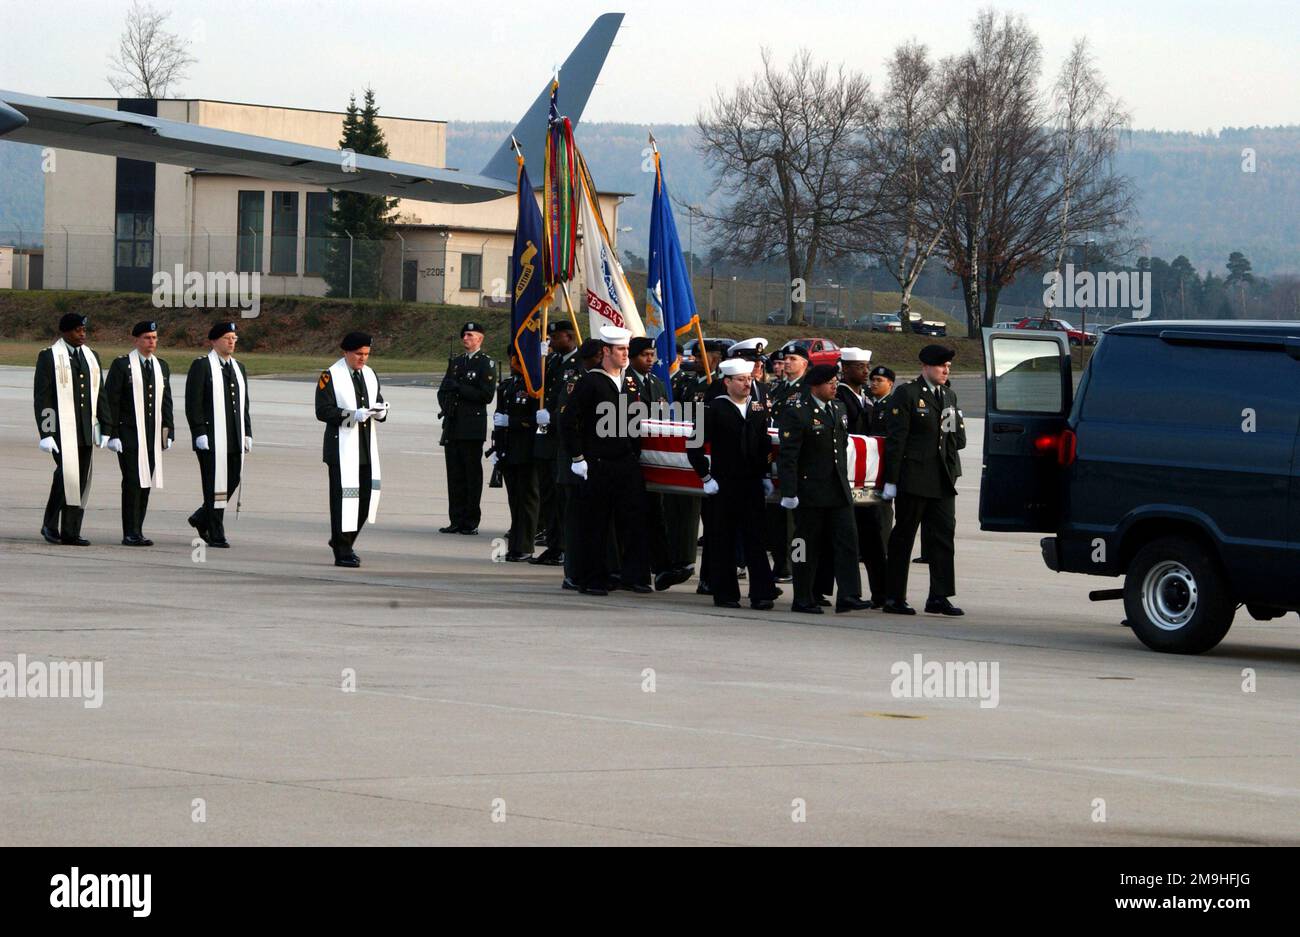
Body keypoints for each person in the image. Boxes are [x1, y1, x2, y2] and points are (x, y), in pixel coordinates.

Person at [560, 324, 651, 596]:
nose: (626, 354)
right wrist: (577, 456)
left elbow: (636, 421)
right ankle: (592, 578)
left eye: (627, 349)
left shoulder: (630, 382)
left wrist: (634, 454)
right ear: (606, 351)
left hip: (626, 462)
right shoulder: (591, 381)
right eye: (621, 349)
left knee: (634, 521)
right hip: (598, 462)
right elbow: (568, 420)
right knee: (596, 524)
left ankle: (633, 575)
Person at [776, 364, 870, 614]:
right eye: (829, 382)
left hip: (837, 489)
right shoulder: (797, 413)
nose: (834, 385)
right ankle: (803, 596)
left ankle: (849, 594)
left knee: (847, 542)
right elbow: (788, 456)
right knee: (804, 547)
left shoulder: (838, 408)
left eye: (836, 381)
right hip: (809, 491)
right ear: (815, 385)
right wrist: (789, 492)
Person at [881, 345, 967, 616]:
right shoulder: (907, 394)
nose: (946, 370)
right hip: (914, 478)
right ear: (926, 366)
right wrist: (891, 480)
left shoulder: (949, 396)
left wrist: (952, 471)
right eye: (942, 366)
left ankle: (939, 596)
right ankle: (894, 597)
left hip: (942, 480)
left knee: (943, 539)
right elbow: (897, 441)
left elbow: (955, 440)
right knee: (904, 538)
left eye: (949, 367)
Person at [689, 358, 779, 609]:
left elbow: (763, 443)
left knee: (756, 539)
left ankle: (762, 592)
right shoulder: (713, 408)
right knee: (723, 539)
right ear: (727, 382)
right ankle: (726, 593)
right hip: (724, 482)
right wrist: (705, 477)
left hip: (751, 483)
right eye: (741, 379)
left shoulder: (758, 408)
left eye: (749, 379)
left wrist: (765, 475)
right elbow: (693, 446)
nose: (747, 384)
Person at [98, 320, 174, 546]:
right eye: (147, 338)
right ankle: (129, 531)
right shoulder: (123, 365)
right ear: (136, 340)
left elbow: (165, 403)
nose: (152, 342)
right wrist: (111, 434)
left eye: (155, 338)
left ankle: (138, 529)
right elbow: (111, 401)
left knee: (145, 483)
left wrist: (167, 432)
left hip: (151, 436)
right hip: (129, 435)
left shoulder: (161, 366)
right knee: (132, 482)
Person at [316, 332, 388, 568]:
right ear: (346, 352)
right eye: (358, 354)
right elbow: (323, 411)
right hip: (341, 449)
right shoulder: (330, 376)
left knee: (366, 500)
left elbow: (378, 399)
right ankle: (343, 549)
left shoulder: (369, 374)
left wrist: (381, 412)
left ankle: (341, 539)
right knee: (343, 501)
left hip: (365, 448)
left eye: (366, 354)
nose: (363, 358)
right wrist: (351, 416)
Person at [34, 312, 103, 546]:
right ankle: (50, 525)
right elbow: (43, 398)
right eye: (77, 330)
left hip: (85, 430)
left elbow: (99, 395)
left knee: (80, 481)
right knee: (67, 477)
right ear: (64, 332)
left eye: (84, 330)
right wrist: (47, 433)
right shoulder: (49, 357)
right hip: (62, 431)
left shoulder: (91, 357)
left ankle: (71, 531)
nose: (82, 334)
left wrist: (104, 427)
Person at [627, 336, 689, 591]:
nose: (650, 360)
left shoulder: (657, 383)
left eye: (652, 355)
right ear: (632, 357)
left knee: (655, 517)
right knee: (636, 519)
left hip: (653, 462)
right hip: (631, 460)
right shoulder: (625, 383)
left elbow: (665, 421)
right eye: (645, 355)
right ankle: (635, 574)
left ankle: (662, 568)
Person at [185, 321, 252, 549]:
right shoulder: (202, 366)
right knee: (214, 484)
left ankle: (202, 517)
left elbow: (244, 405)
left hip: (233, 437)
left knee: (232, 479)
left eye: (234, 338)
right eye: (227, 338)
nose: (232, 342)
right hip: (211, 438)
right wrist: (199, 432)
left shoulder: (238, 367)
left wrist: (247, 432)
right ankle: (215, 530)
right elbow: (193, 403)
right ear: (214, 341)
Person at [835, 348, 890, 603]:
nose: (866, 372)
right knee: (847, 539)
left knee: (872, 536)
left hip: (865, 477)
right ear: (845, 369)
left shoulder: (864, 397)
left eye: (867, 366)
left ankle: (880, 591)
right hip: (847, 478)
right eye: (860, 367)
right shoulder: (840, 397)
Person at [437, 321, 495, 535]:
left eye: (470, 335)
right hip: (453, 425)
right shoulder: (456, 363)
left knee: (471, 475)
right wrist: (446, 406)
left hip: (471, 427)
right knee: (454, 475)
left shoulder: (485, 364)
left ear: (480, 338)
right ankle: (456, 519)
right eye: (464, 335)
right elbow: (443, 391)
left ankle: (470, 521)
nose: (465, 338)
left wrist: (460, 389)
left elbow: (486, 395)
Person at [555, 337, 604, 589]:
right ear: (593, 358)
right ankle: (573, 573)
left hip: (592, 462)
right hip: (576, 463)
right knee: (576, 523)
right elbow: (567, 420)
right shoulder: (577, 382)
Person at [530, 319, 578, 566]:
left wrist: (554, 415)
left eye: (555, 338)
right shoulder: (551, 361)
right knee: (548, 494)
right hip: (545, 436)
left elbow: (573, 402)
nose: (550, 342)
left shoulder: (579, 364)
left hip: (561, 438)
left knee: (561, 497)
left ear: (568, 337)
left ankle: (563, 546)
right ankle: (553, 543)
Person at [493, 346, 540, 562]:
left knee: (527, 500)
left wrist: (511, 422)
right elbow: (498, 419)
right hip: (509, 450)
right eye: (513, 357)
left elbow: (536, 420)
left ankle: (525, 545)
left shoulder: (535, 387)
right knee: (514, 500)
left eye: (518, 357)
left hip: (527, 450)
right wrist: (497, 448)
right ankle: (515, 544)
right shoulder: (507, 386)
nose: (514, 361)